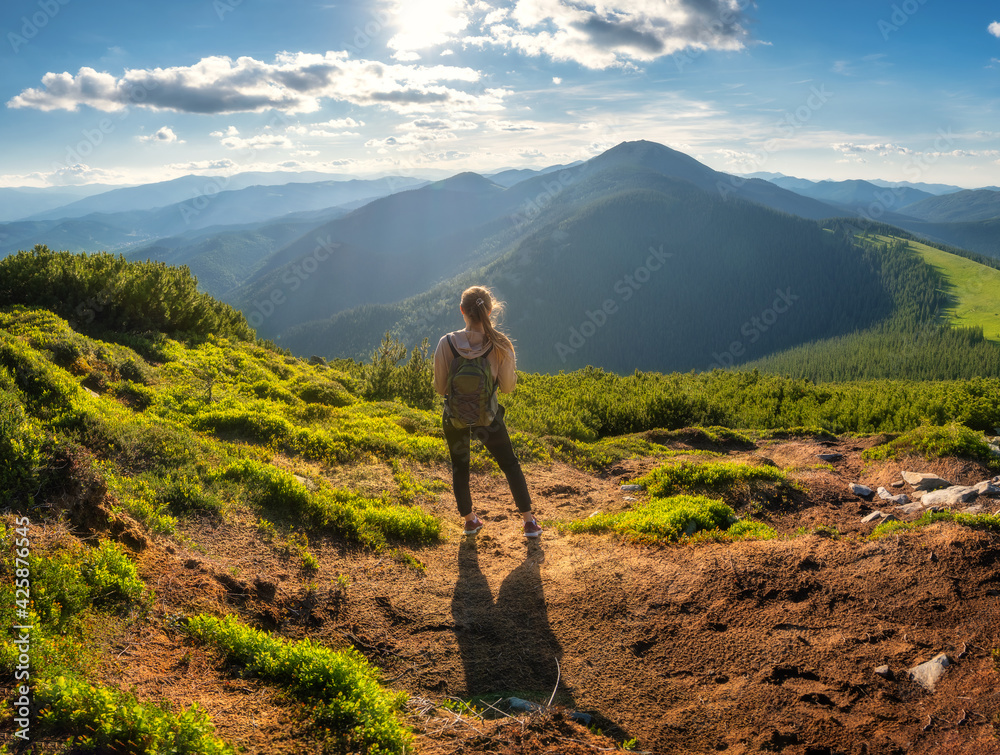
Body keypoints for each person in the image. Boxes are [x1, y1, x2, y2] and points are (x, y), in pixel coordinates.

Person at [433, 285, 541, 538]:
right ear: (491, 311)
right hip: (489, 419)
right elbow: (507, 388)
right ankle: (528, 522)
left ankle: (470, 520)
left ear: (462, 310)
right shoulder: (500, 344)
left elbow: (440, 389)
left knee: (460, 467)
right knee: (510, 464)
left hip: (454, 418)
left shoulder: (445, 343)